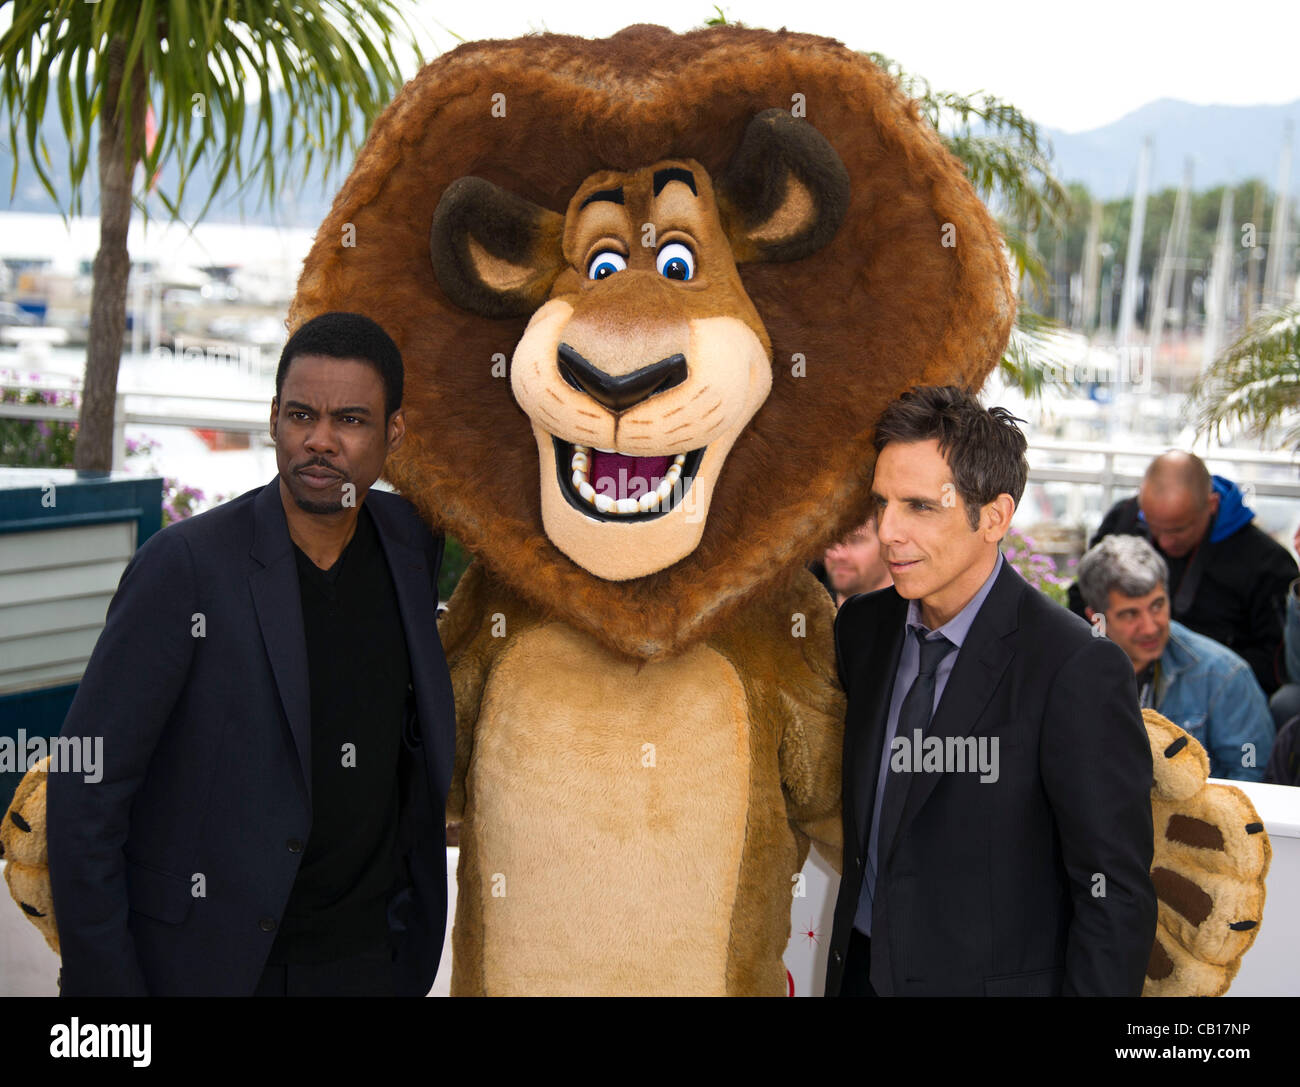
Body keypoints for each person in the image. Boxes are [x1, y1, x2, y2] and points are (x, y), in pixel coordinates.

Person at [46, 311, 456, 997]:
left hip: (369, 962)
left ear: (395, 433)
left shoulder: (409, 544)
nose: (319, 441)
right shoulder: (184, 569)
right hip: (214, 966)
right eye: (301, 414)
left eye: (350, 420)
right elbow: (86, 789)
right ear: (273, 419)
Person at [825, 385, 1156, 997]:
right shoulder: (862, 630)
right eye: (883, 503)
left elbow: (1114, 895)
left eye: (921, 507)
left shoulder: (1075, 668)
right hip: (861, 976)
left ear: (996, 517)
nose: (889, 532)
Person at [1065, 451, 1296, 696]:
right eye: (1154, 527)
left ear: (1211, 505)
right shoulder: (1125, 520)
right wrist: (1103, 647)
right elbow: (1085, 597)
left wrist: (1196, 676)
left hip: (1213, 693)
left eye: (1178, 530)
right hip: (1120, 677)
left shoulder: (1267, 563)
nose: (1164, 542)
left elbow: (1277, 662)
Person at [1077, 535, 1272, 782]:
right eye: (1130, 614)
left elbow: (1251, 767)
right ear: (1097, 619)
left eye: (1157, 605)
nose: (1149, 627)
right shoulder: (1071, 670)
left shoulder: (1225, 675)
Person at [822, 517, 891, 606]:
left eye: (855, 541)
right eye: (830, 540)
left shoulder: (911, 615)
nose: (837, 555)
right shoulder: (805, 610)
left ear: (887, 546)